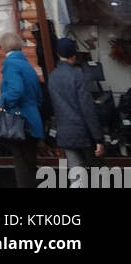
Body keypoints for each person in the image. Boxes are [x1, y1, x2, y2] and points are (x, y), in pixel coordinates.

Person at [47, 38, 105, 177]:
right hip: (83, 133)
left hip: (65, 133)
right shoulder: (78, 75)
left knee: (77, 175)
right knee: (99, 175)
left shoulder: (52, 77)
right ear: (74, 55)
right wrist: (98, 138)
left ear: (58, 54)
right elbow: (87, 109)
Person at [0, 31, 44, 187]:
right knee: (31, 165)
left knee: (22, 166)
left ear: (3, 47)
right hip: (33, 120)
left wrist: (2, 101)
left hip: (19, 122)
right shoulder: (26, 64)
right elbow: (39, 96)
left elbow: (16, 90)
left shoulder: (11, 64)